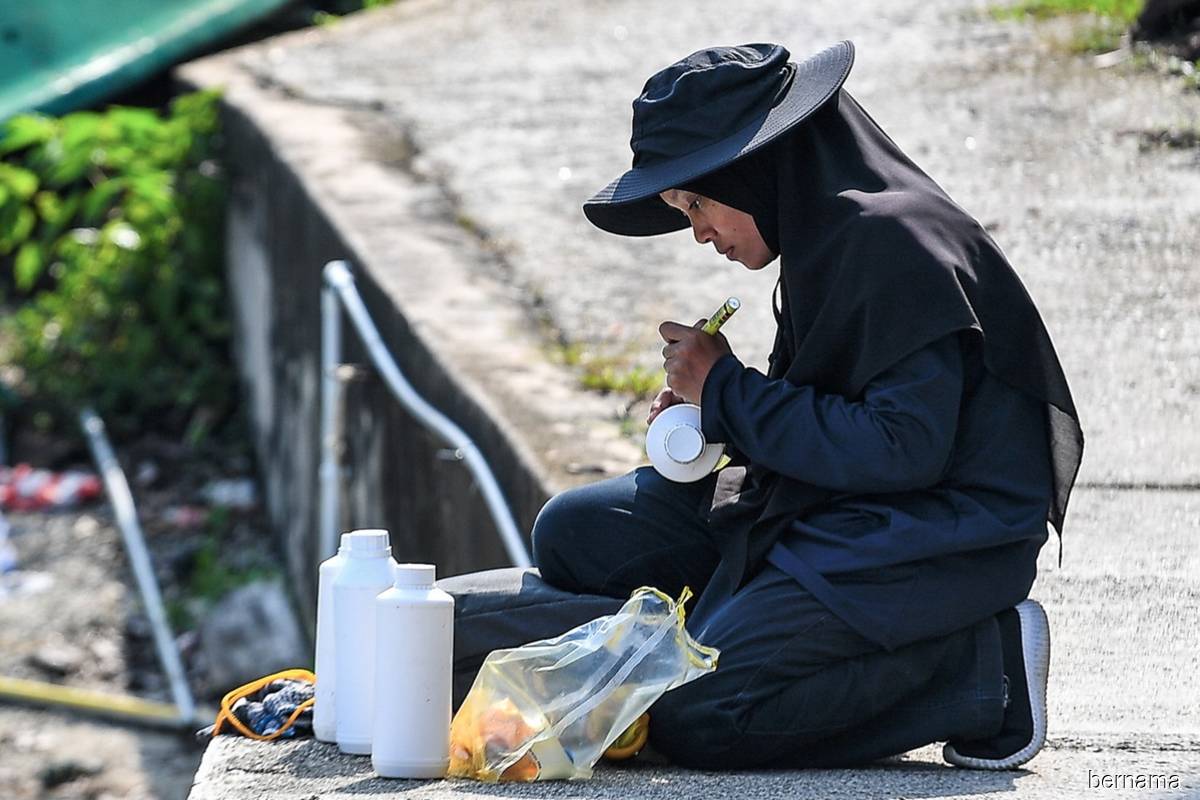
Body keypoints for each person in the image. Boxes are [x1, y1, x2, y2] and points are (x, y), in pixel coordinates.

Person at [442, 40, 1084, 772]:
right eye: (684, 209)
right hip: (837, 501)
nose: (700, 231)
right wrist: (714, 418)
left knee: (698, 715)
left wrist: (727, 391)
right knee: (574, 532)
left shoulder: (891, 243)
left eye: (698, 202)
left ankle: (980, 670)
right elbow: (831, 411)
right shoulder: (821, 236)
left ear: (758, 167)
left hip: (929, 536)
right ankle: (679, 644)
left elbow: (903, 449)